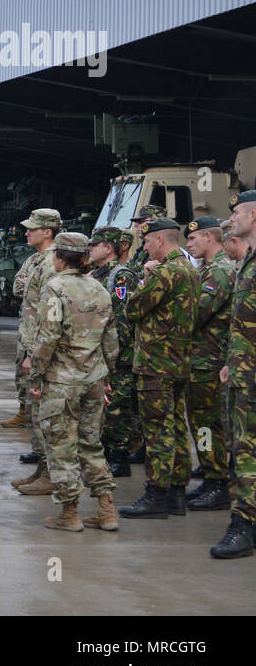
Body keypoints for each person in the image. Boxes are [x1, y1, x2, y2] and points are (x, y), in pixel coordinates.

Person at [27, 232, 120, 531]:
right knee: (91, 444)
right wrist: (108, 374)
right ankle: (107, 509)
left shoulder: (54, 288)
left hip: (61, 381)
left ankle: (70, 512)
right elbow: (110, 339)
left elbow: (48, 337)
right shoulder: (99, 288)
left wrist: (36, 375)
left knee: (61, 445)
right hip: (93, 377)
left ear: (59, 257)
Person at [119, 217, 199, 518]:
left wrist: (143, 278)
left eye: (148, 242)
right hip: (179, 362)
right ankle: (177, 493)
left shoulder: (164, 272)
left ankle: (156, 494)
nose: (146, 247)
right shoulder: (189, 270)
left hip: (156, 364)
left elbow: (134, 307)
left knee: (157, 430)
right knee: (177, 427)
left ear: (160, 241)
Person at [214, 190, 256, 557]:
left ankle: (243, 526)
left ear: (254, 216)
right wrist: (231, 361)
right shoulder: (249, 262)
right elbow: (243, 325)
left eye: (238, 212)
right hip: (243, 375)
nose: (232, 218)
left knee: (247, 453)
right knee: (243, 450)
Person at [183, 216, 236, 510]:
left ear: (208, 237)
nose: (189, 245)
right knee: (202, 425)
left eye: (193, 239)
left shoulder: (219, 272)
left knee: (207, 426)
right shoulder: (206, 270)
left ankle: (218, 483)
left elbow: (197, 313)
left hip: (209, 361)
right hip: (200, 360)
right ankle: (211, 477)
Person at [11, 208, 62, 494]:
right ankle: (43, 469)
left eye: (33, 228)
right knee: (33, 412)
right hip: (30, 344)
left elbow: (49, 314)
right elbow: (21, 290)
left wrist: (37, 354)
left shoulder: (52, 263)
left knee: (44, 414)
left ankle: (51, 474)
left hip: (40, 349)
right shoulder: (38, 260)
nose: (27, 232)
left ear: (48, 231)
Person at [89, 226, 141, 476]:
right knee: (104, 407)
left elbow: (122, 320)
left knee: (118, 407)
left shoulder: (120, 276)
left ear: (107, 248)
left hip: (118, 356)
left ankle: (120, 458)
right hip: (100, 354)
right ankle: (108, 452)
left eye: (94, 245)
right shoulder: (95, 275)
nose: (90, 249)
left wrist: (113, 357)